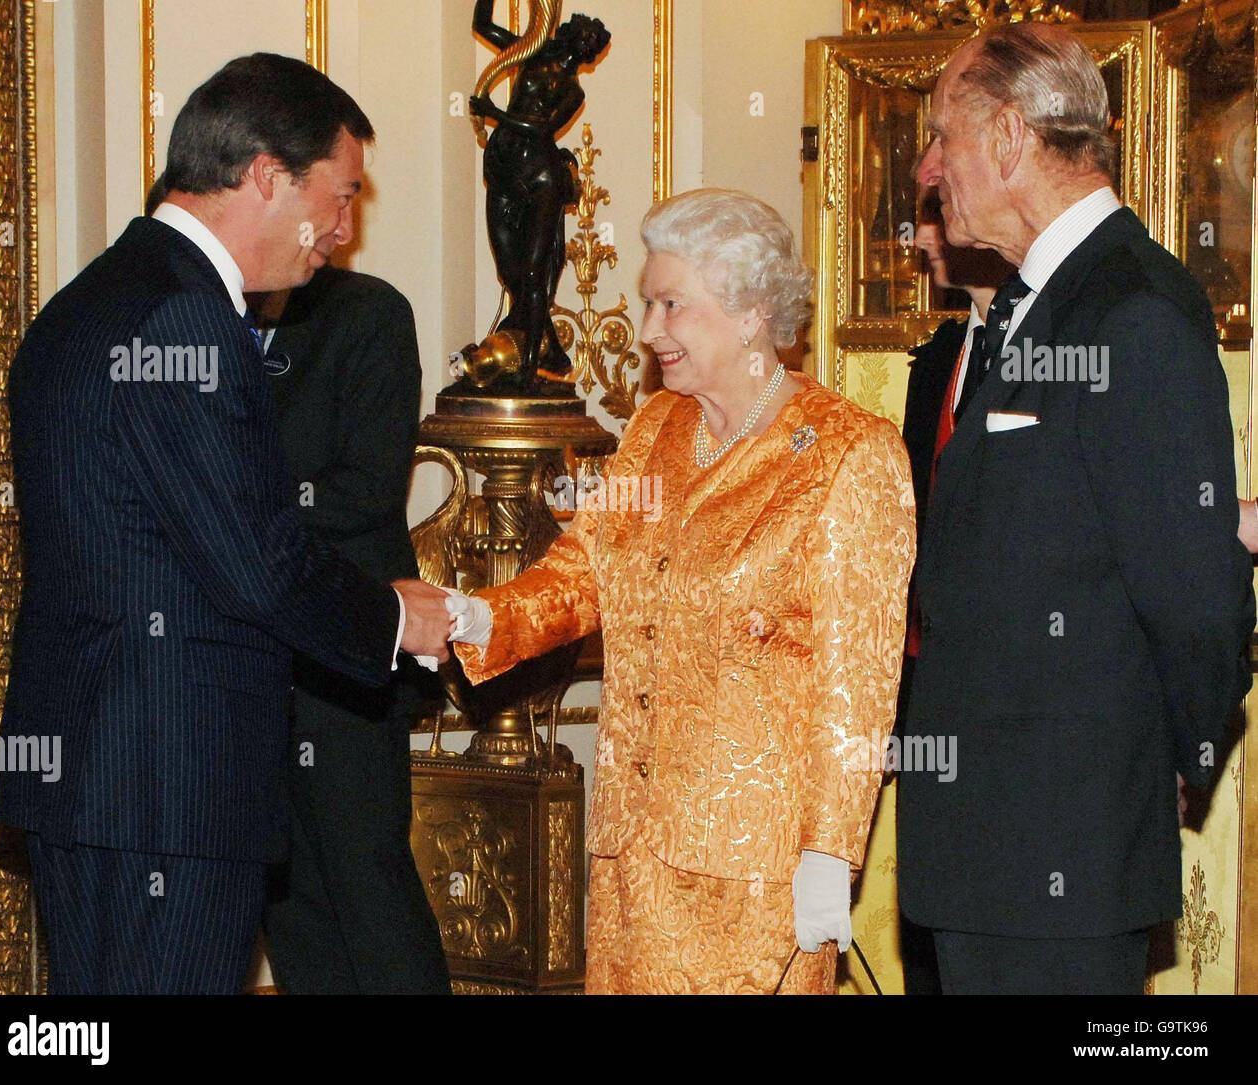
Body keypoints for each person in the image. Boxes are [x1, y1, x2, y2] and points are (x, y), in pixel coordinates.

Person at [0, 53, 452, 995]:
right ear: (264, 176)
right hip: (169, 787)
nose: (343, 228)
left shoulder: (89, 300)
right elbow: (256, 560)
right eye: (340, 195)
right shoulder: (188, 322)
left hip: (99, 782)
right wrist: (394, 619)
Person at [449, 188, 916, 994]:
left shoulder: (847, 453)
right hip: (631, 858)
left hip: (756, 873)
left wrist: (832, 852)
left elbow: (859, 683)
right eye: (647, 302)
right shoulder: (653, 429)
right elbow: (584, 571)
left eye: (672, 304)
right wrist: (478, 613)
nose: (651, 328)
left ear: (750, 314)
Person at [898, 23, 1254, 994]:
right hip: (994, 857)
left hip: (1058, 848)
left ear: (1010, 138)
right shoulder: (1037, 304)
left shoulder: (1128, 306)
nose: (929, 169)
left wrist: (1172, 753)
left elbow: (1193, 590)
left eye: (943, 136)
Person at [252, 266, 450, 994]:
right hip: (247, 660)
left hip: (346, 665)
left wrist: (227, 507)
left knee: (369, 891)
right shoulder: (202, 319)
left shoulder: (368, 313)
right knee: (289, 901)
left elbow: (366, 488)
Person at [896, 185, 1013, 996]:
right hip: (924, 709)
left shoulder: (1049, 352)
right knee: (930, 954)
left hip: (1014, 717)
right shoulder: (938, 356)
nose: (922, 236)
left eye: (937, 213)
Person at [468, 1, 611, 391]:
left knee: (531, 270)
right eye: (583, 36)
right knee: (509, 268)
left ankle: (529, 367)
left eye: (590, 43)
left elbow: (540, 128)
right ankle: (549, 349)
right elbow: (483, 25)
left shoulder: (573, 92)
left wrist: (493, 111)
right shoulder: (531, 52)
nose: (584, 44)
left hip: (540, 176)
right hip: (503, 166)